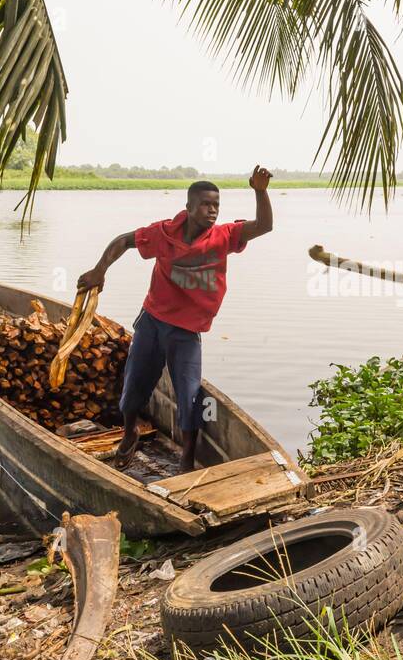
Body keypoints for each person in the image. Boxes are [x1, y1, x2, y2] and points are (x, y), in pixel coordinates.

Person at [77, 166, 274, 471]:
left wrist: (260, 191)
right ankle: (130, 432)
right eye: (206, 205)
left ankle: (186, 459)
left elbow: (263, 226)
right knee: (134, 383)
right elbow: (122, 241)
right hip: (153, 321)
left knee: (190, 396)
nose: (212, 211)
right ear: (189, 207)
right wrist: (99, 270)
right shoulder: (163, 233)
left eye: (217, 206)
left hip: (187, 331)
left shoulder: (224, 236)